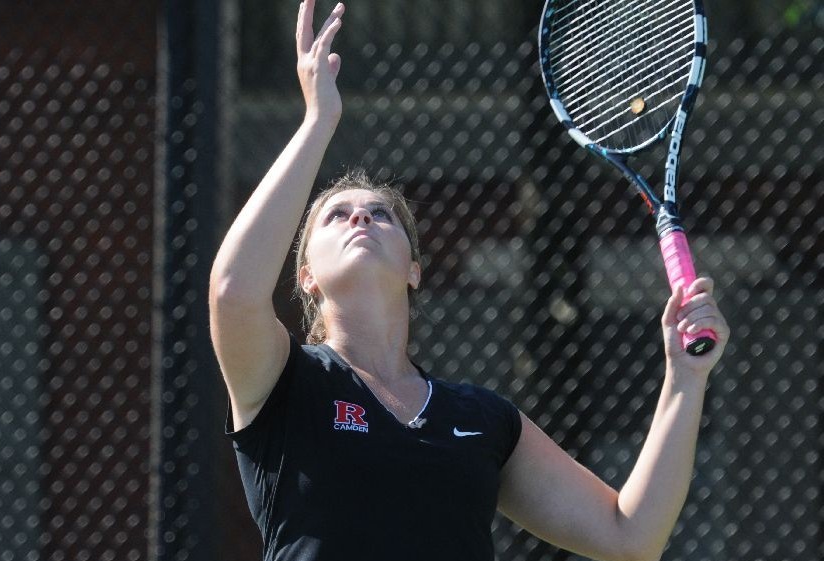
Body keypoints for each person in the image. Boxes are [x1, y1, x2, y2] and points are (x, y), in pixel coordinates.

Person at [208, 1, 730, 560]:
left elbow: (630, 536)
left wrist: (684, 378)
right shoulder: (286, 384)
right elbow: (233, 290)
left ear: (414, 269)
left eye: (382, 214)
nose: (361, 217)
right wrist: (318, 122)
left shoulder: (481, 419)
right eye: (336, 215)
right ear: (306, 276)